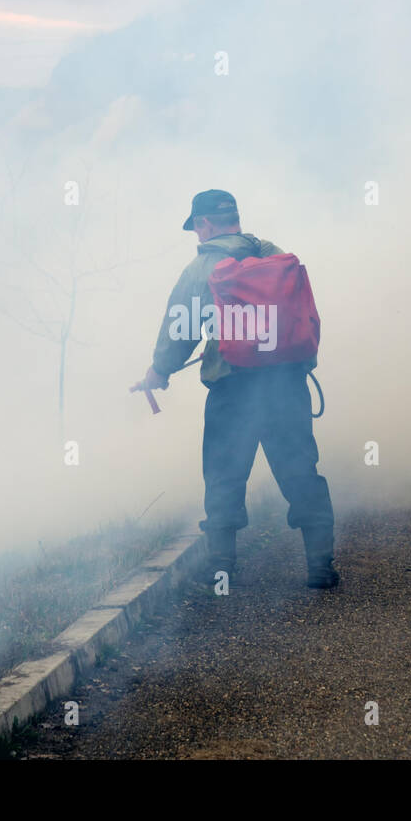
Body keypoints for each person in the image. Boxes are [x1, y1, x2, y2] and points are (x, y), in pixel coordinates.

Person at [130, 189, 338, 589]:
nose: (196, 235)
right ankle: (320, 566)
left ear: (205, 224)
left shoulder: (203, 267)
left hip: (233, 390)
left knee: (224, 476)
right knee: (300, 471)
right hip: (286, 384)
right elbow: (306, 318)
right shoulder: (276, 254)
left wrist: (159, 373)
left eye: (196, 227)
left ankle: (221, 569)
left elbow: (180, 329)